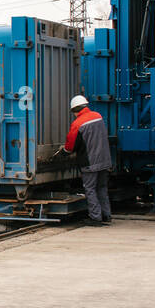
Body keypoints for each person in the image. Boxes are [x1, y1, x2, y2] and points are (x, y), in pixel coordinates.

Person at [59, 94, 113, 225]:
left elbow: (70, 146)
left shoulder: (78, 123)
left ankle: (95, 218)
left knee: (90, 189)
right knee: (102, 188)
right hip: (105, 160)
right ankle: (106, 215)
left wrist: (63, 152)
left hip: (90, 163)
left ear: (74, 110)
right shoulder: (98, 116)